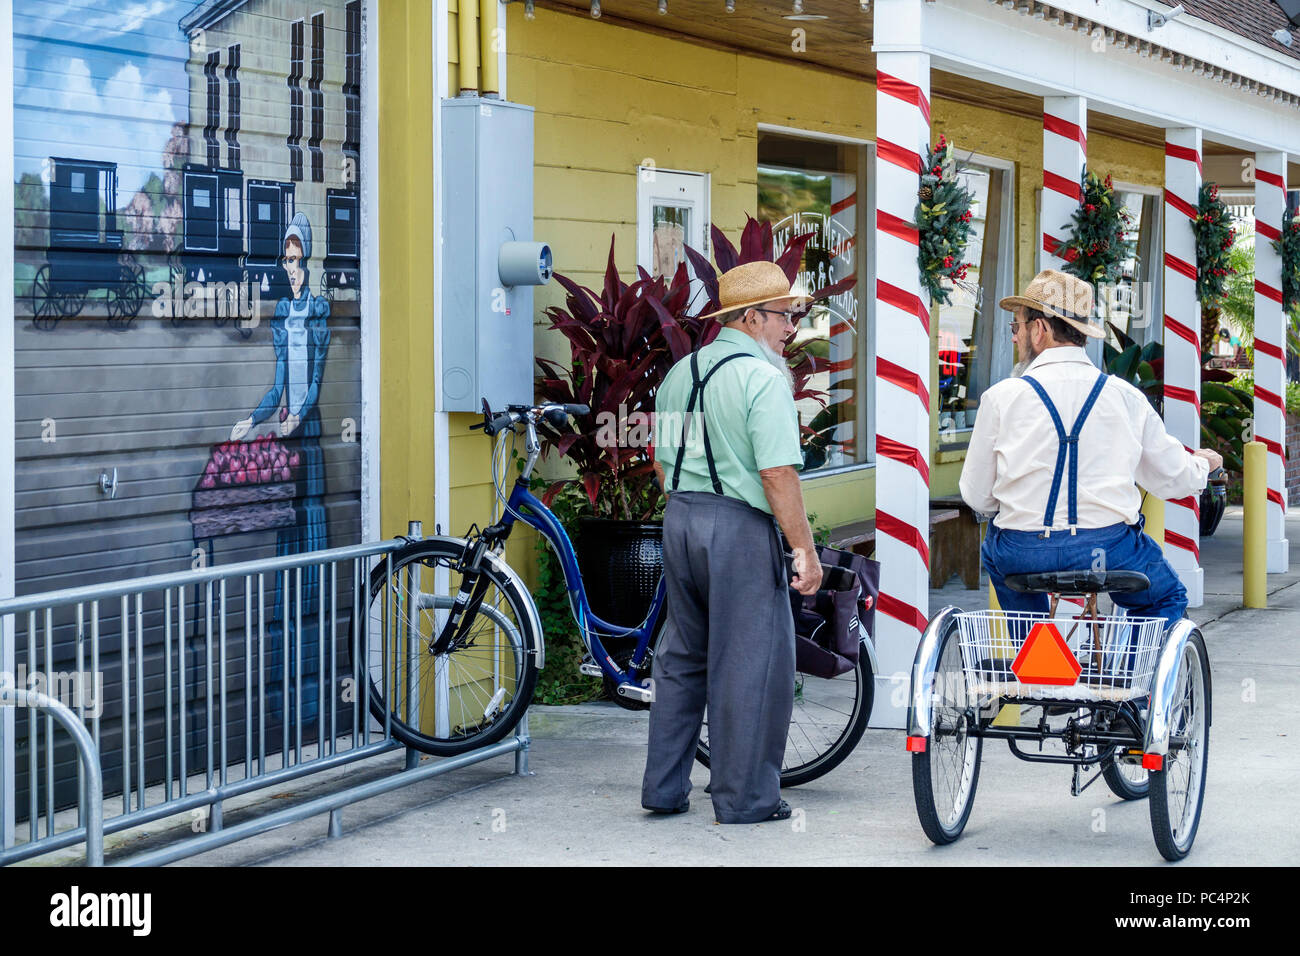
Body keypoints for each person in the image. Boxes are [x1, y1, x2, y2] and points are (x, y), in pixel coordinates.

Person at [642, 260, 823, 824]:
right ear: (751, 318)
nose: (790, 328)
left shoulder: (680, 374)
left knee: (681, 658)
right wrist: (805, 550)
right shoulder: (763, 379)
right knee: (751, 662)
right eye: (784, 316)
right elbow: (777, 475)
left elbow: (659, 461)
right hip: (737, 527)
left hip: (681, 519)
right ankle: (745, 799)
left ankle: (664, 788)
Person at [959, 269, 1222, 629]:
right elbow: (1172, 479)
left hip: (1022, 554)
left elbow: (978, 497)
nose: (1015, 336)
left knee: (999, 555)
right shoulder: (1125, 397)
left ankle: (1037, 663)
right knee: (1166, 596)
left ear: (1040, 330)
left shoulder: (1002, 397)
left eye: (1016, 327)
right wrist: (1202, 465)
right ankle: (1131, 681)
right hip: (1108, 550)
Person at [230, 212, 332, 726]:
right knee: (285, 562)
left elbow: (313, 381)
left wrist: (298, 419)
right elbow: (279, 387)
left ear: (307, 257)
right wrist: (254, 419)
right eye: (285, 259)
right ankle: (282, 695)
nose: (291, 267)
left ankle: (315, 694)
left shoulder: (319, 309)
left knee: (312, 559)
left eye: (297, 258)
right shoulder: (280, 316)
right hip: (287, 433)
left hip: (307, 440)